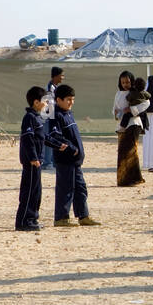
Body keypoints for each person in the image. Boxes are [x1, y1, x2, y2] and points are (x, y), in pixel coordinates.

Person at [47, 84, 100, 227]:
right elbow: (54, 135)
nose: (71, 102)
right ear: (58, 100)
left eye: (73, 99)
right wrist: (71, 148)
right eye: (68, 99)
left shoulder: (69, 114)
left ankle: (83, 216)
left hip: (75, 162)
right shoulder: (55, 116)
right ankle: (61, 218)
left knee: (81, 188)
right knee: (65, 189)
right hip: (65, 160)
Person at [15, 87, 47, 232]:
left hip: (37, 161)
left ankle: (32, 219)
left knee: (37, 192)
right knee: (29, 191)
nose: (47, 104)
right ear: (36, 102)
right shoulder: (29, 118)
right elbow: (28, 139)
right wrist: (33, 157)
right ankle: (24, 221)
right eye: (44, 101)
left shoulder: (37, 117)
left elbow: (42, 138)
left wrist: (60, 145)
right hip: (31, 162)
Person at [114, 71, 151, 186]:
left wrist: (132, 109)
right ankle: (123, 179)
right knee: (122, 152)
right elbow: (115, 108)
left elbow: (147, 103)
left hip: (134, 123)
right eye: (123, 82)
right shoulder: (118, 93)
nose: (125, 84)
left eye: (128, 82)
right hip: (122, 124)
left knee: (131, 151)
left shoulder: (136, 92)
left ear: (132, 81)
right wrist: (115, 113)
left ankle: (134, 179)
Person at [41, 67, 63, 171]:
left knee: (55, 139)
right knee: (48, 140)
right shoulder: (49, 88)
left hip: (53, 117)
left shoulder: (55, 87)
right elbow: (50, 105)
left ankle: (54, 161)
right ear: (55, 76)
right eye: (61, 75)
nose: (63, 77)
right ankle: (46, 163)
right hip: (48, 118)